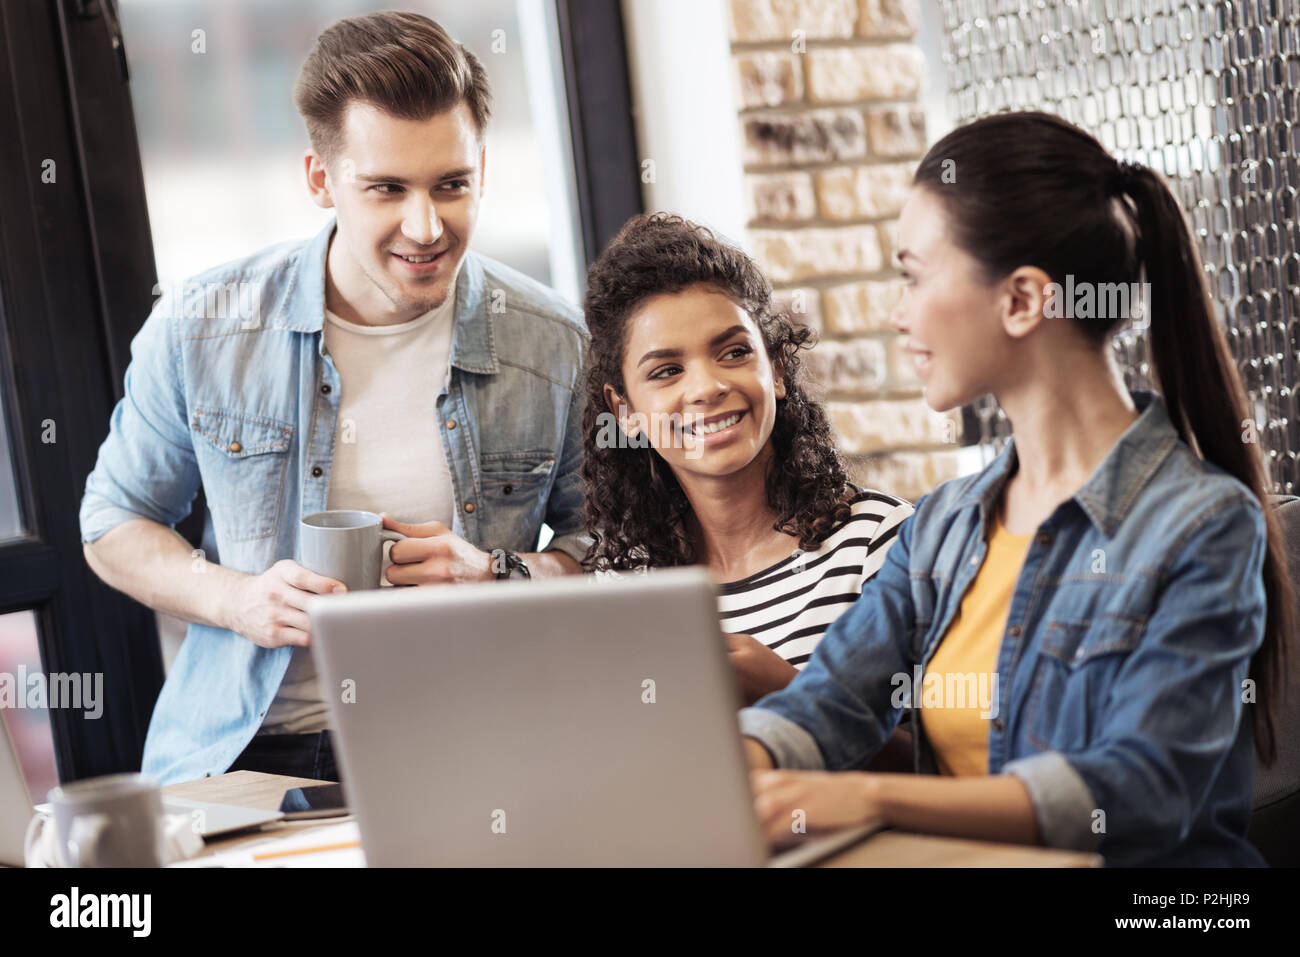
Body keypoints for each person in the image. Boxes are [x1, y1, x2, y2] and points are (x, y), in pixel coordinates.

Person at [739, 111, 1291, 867]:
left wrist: (873, 797)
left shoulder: (1200, 525)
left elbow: (1140, 791)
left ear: (1025, 300)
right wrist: (746, 763)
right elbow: (833, 697)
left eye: (913, 274)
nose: (898, 314)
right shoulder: (943, 526)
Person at [79, 12, 588, 784]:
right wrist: (239, 600)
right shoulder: (203, 326)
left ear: (481, 170)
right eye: (387, 188)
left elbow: (617, 541)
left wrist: (501, 573)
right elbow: (111, 522)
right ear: (320, 180)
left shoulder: (552, 340)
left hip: (470, 748)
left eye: (451, 184)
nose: (426, 227)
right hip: (243, 755)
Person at [580, 213, 913, 708]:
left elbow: (937, 765)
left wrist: (791, 695)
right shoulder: (623, 587)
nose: (708, 387)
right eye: (667, 370)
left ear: (776, 368)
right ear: (625, 411)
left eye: (734, 353)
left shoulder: (877, 544)